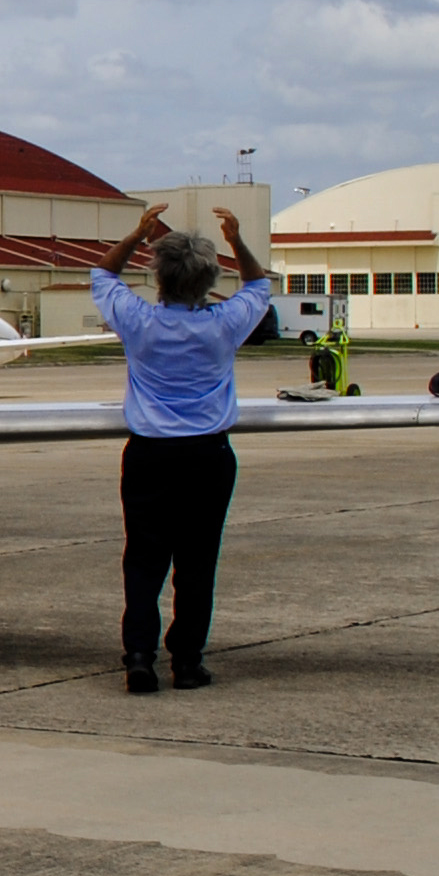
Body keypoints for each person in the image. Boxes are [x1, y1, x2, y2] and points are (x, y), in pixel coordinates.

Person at [92, 204, 270, 694]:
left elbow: (103, 275)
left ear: (158, 279)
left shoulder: (139, 323)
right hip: (207, 457)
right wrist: (236, 241)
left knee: (144, 559)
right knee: (197, 561)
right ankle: (188, 660)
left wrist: (135, 235)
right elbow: (258, 287)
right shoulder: (224, 325)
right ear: (208, 278)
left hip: (149, 454)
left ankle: (139, 656)